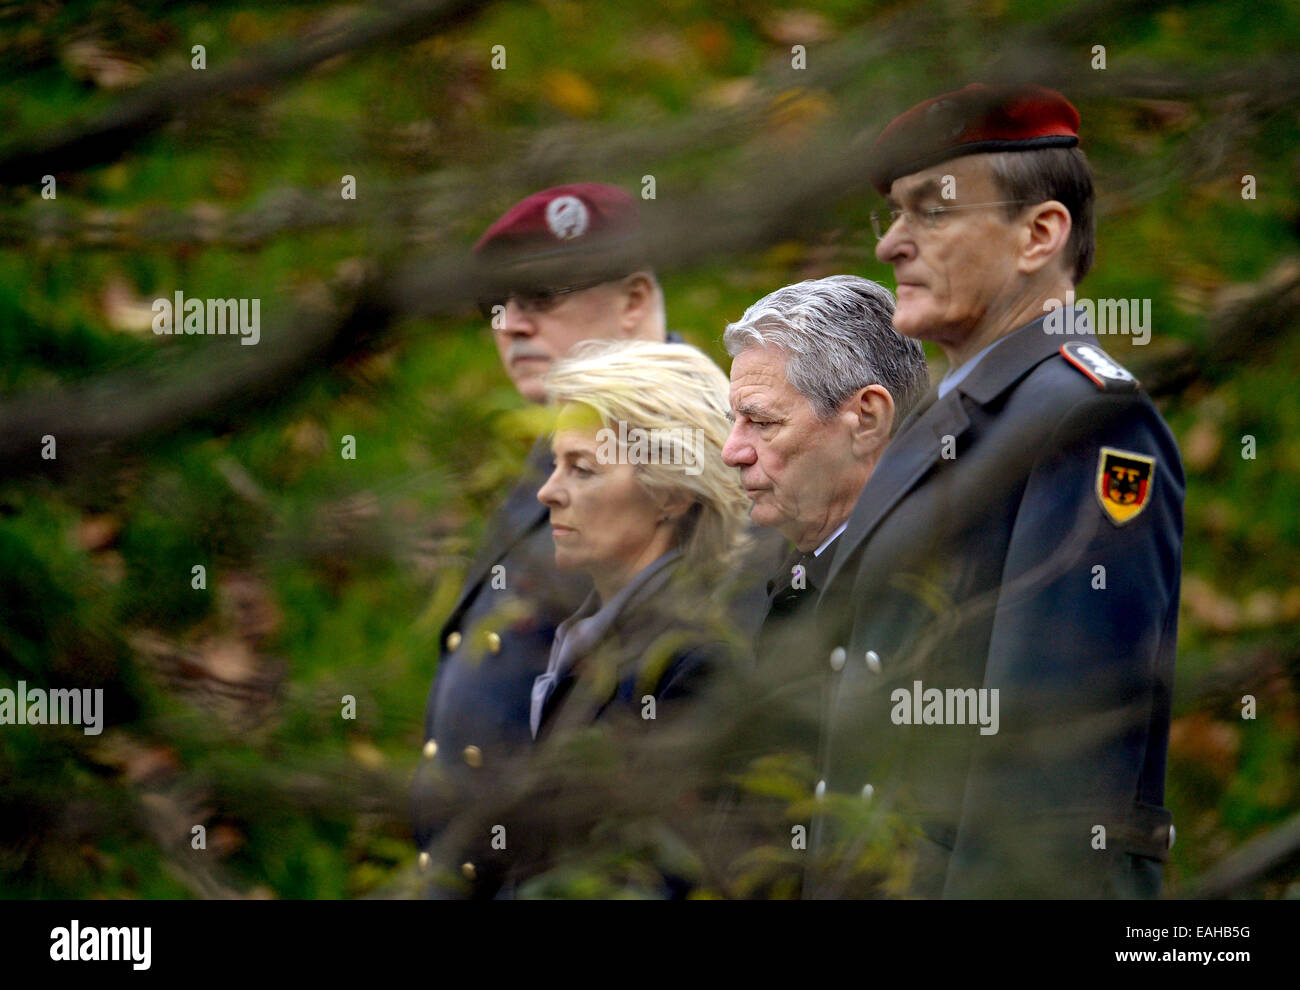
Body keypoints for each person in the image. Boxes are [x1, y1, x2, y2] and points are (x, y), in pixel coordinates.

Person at [809, 84, 1185, 899]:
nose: (891, 247)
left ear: (1038, 234)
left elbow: (1050, 784)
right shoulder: (958, 420)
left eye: (930, 213)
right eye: (892, 216)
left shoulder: (1086, 421)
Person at [425, 340, 754, 896]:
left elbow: (658, 879)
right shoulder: (585, 635)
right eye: (555, 464)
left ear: (671, 490)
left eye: (582, 469)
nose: (549, 492)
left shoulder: (687, 663)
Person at [412, 183, 670, 863]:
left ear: (634, 301)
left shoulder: (686, 451)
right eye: (496, 305)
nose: (510, 325)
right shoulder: (556, 442)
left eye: (540, 298)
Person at [719, 275, 929, 661]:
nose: (731, 452)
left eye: (762, 423)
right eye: (733, 421)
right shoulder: (783, 569)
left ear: (867, 418)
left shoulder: (926, 589)